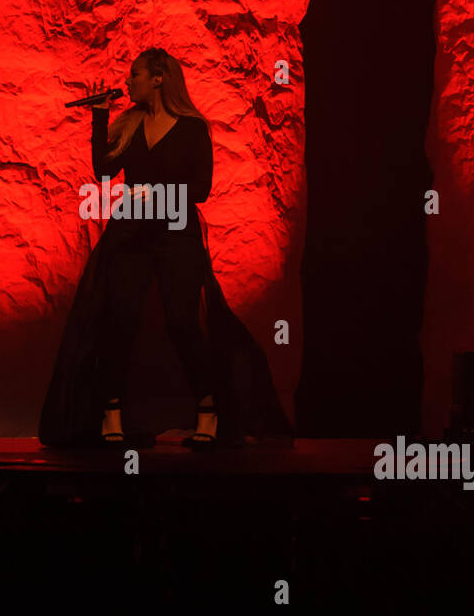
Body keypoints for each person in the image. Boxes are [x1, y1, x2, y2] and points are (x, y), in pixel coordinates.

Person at [39, 47, 291, 448]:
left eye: (134, 74)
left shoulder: (192, 128)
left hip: (175, 233)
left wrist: (153, 197)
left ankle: (209, 411)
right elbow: (103, 171)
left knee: (182, 323)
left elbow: (202, 189)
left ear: (158, 78)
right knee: (118, 323)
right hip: (130, 233)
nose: (127, 81)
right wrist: (99, 115)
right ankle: (111, 415)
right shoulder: (129, 123)